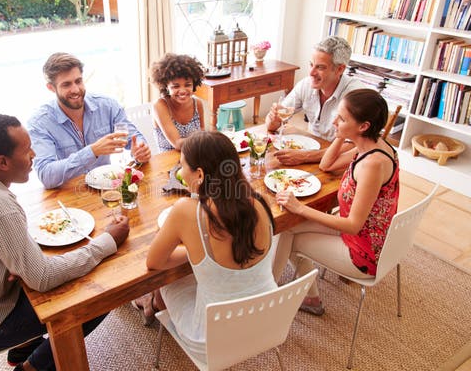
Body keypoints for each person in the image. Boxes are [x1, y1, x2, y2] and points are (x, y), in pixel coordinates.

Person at [0, 114, 130, 371]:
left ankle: (23, 346)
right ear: (2, 162)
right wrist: (107, 241)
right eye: (26, 150)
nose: (34, 154)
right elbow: (42, 278)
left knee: (63, 265)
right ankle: (31, 367)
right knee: (100, 296)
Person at [138, 131, 278, 362]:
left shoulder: (185, 210)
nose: (181, 172)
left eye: (182, 165)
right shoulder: (259, 202)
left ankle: (152, 303)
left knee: (167, 282)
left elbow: (154, 262)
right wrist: (199, 253)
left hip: (209, 341)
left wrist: (195, 250)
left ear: (200, 174)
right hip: (267, 321)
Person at [272, 89, 399, 316]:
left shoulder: (372, 164)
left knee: (289, 237)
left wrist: (300, 208)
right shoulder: (372, 145)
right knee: (287, 228)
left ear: (363, 126)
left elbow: (353, 225)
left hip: (363, 251)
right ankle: (304, 297)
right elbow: (326, 165)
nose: (333, 121)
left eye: (341, 118)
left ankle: (266, 299)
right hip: (367, 234)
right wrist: (341, 134)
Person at [28, 52, 152, 189]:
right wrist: (92, 152)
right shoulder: (40, 123)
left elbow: (134, 138)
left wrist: (141, 149)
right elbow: (46, 175)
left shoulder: (108, 106)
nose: (75, 89)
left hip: (108, 190)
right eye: (66, 85)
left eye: (78, 81)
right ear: (51, 88)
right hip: (69, 196)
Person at [265, 36, 364, 166]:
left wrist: (305, 156)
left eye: (320, 67)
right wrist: (274, 118)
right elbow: (271, 125)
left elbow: (354, 146)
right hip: (312, 151)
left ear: (340, 69)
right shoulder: (306, 85)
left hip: (339, 162)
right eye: (311, 64)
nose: (311, 72)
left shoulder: (355, 96)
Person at [150, 53, 206, 152]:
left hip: (194, 158)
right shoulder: (159, 106)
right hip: (168, 164)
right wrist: (208, 139)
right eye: (176, 86)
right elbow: (177, 143)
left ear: (194, 84)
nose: (183, 91)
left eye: (187, 85)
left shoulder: (198, 104)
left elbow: (202, 134)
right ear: (166, 86)